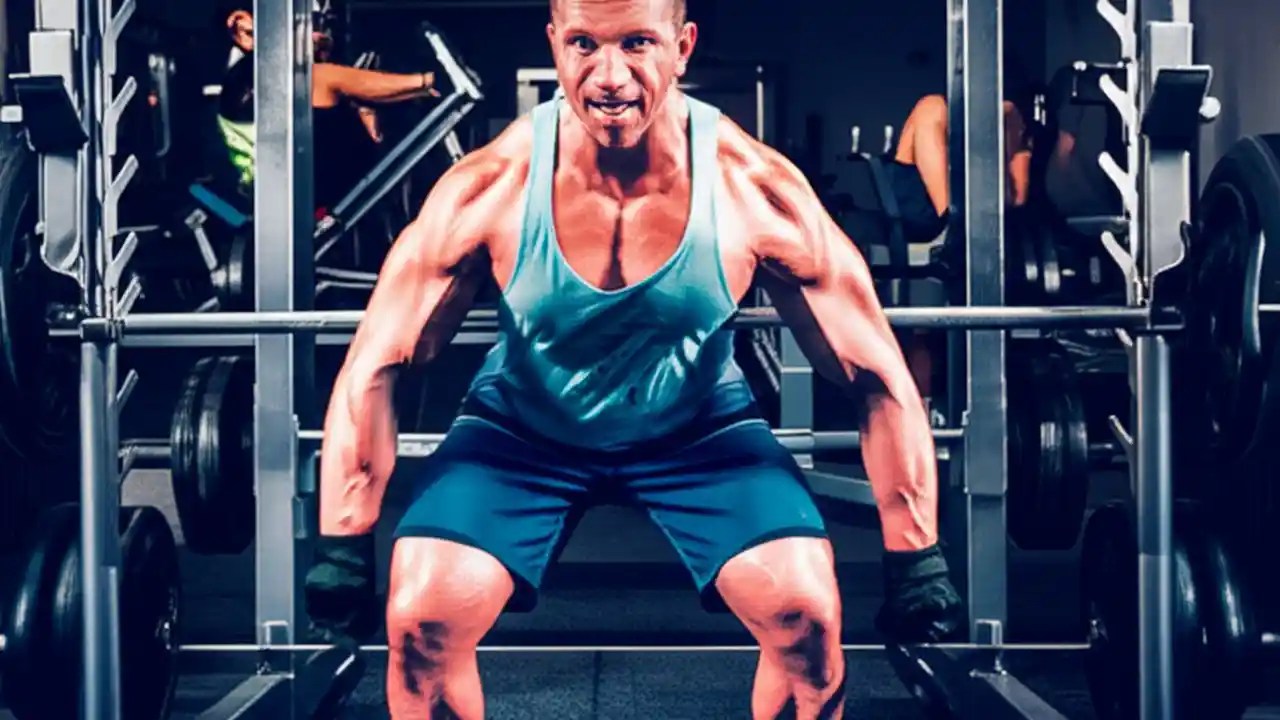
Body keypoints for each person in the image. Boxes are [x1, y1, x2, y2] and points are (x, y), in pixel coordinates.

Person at [304, 1, 964, 718]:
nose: (609, 76)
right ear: (555, 45)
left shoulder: (754, 188)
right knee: (421, 620)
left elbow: (875, 373)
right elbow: (378, 359)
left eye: (638, 43)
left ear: (683, 47)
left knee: (808, 618)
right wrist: (346, 538)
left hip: (700, 431)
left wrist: (914, 553)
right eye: (584, 43)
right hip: (520, 432)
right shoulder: (490, 186)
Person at [216, 0, 441, 209]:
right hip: (276, 198)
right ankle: (427, 80)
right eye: (307, 22)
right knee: (315, 78)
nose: (321, 36)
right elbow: (320, 81)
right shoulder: (246, 80)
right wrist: (423, 81)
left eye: (326, 24)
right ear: (244, 29)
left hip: (320, 188)